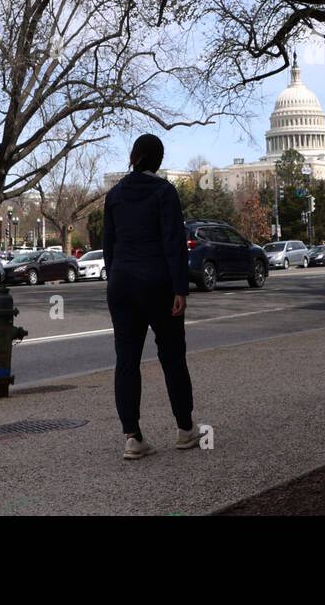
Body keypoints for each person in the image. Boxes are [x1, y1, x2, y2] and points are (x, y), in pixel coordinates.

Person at [103, 133, 199, 459]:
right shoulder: (164, 192)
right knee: (172, 356)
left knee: (126, 361)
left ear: (134, 156)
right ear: (158, 160)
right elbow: (174, 243)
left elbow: (109, 246)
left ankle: (132, 436)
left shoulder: (114, 195)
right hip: (158, 283)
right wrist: (180, 288)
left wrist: (115, 279)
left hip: (122, 283)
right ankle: (185, 429)